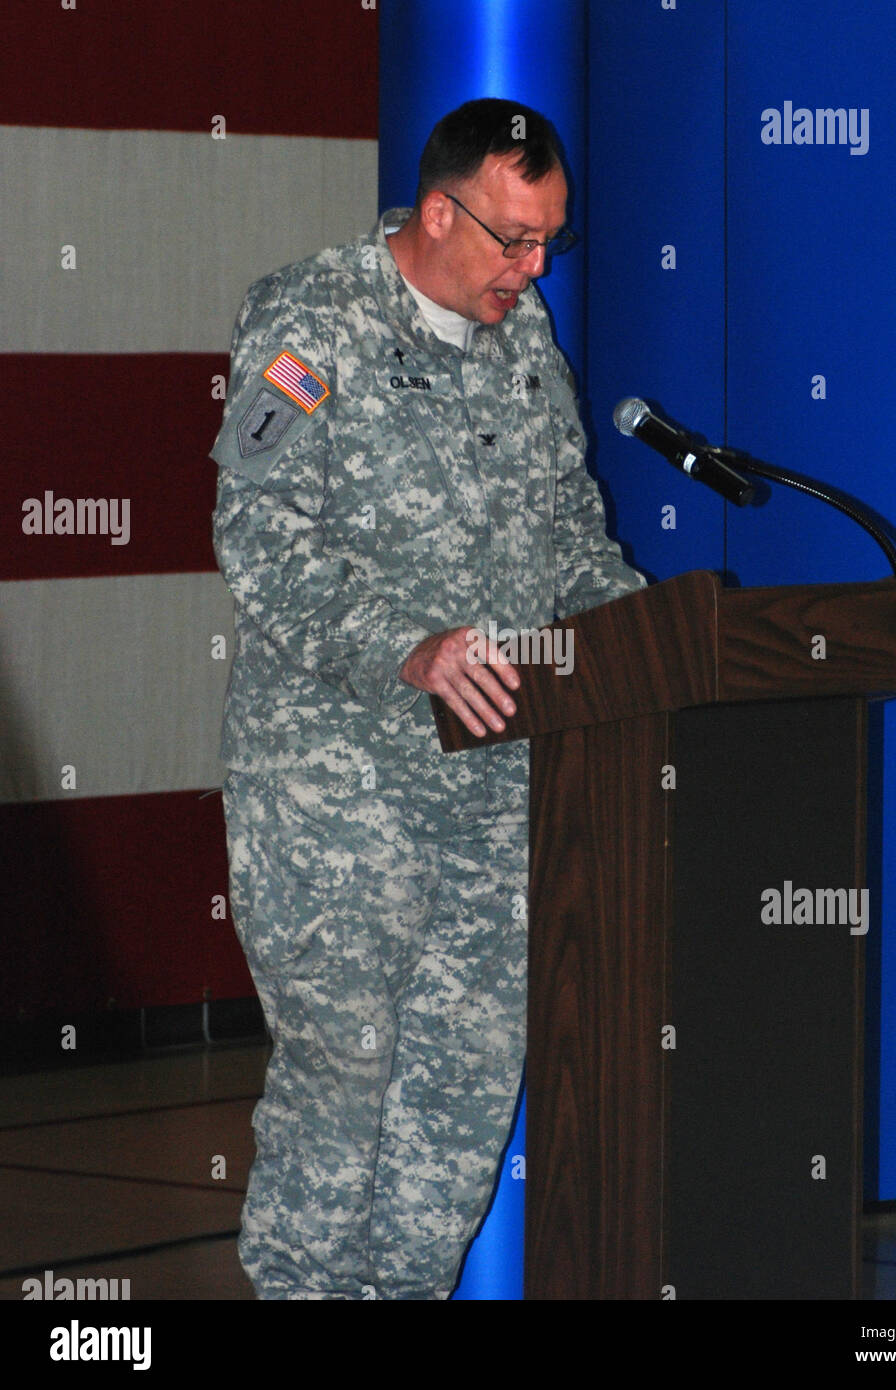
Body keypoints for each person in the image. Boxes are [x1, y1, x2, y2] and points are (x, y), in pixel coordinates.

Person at [210, 98, 645, 1300]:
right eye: (515, 238)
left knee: (462, 1093)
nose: (534, 266)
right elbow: (261, 540)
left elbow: (572, 543)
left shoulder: (522, 333)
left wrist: (657, 640)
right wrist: (406, 648)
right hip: (335, 790)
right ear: (439, 212)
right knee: (342, 1078)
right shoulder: (308, 317)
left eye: (549, 239)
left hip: (496, 792)